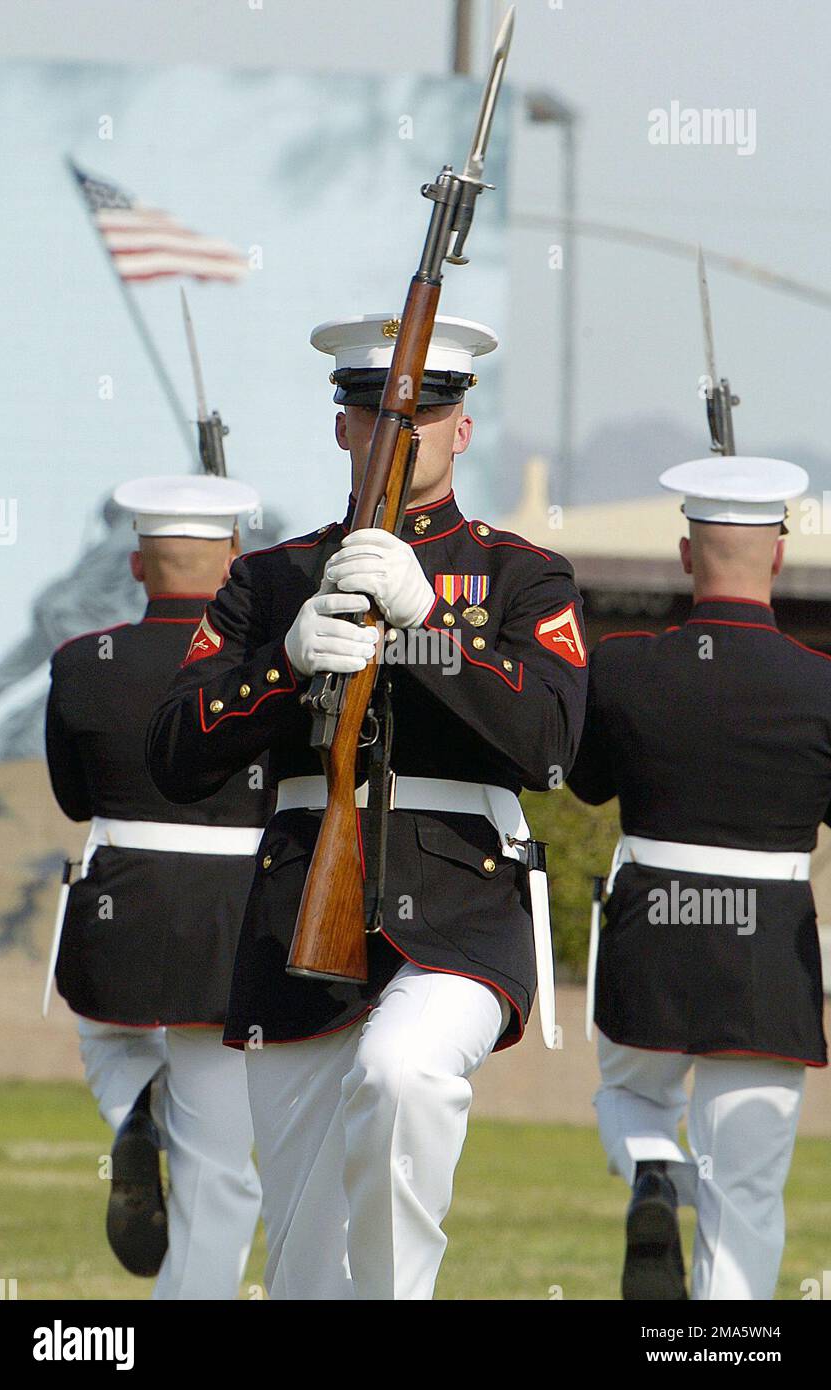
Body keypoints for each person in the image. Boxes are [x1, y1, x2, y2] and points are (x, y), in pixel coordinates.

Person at [147, 314, 589, 1300]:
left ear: (461, 428)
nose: (400, 430)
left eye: (425, 412)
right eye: (376, 410)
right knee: (303, 1260)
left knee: (402, 1072)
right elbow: (173, 752)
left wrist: (428, 625)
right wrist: (282, 663)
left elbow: (551, 741)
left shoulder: (518, 574)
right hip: (300, 914)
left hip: (459, 905)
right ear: (342, 425)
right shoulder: (271, 581)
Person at [567, 456, 829, 1301]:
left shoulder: (623, 666)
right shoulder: (822, 685)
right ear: (780, 555)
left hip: (653, 933)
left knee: (631, 1095)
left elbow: (587, 785)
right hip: (769, 951)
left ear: (686, 554)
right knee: (745, 1191)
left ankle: (652, 1169)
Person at [45, 474, 269, 1300]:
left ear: (138, 565)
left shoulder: (81, 664)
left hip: (120, 909)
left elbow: (77, 802)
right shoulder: (269, 667)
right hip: (233, 922)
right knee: (220, 1170)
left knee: (110, 1037)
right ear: (235, 561)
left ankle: (135, 1108)